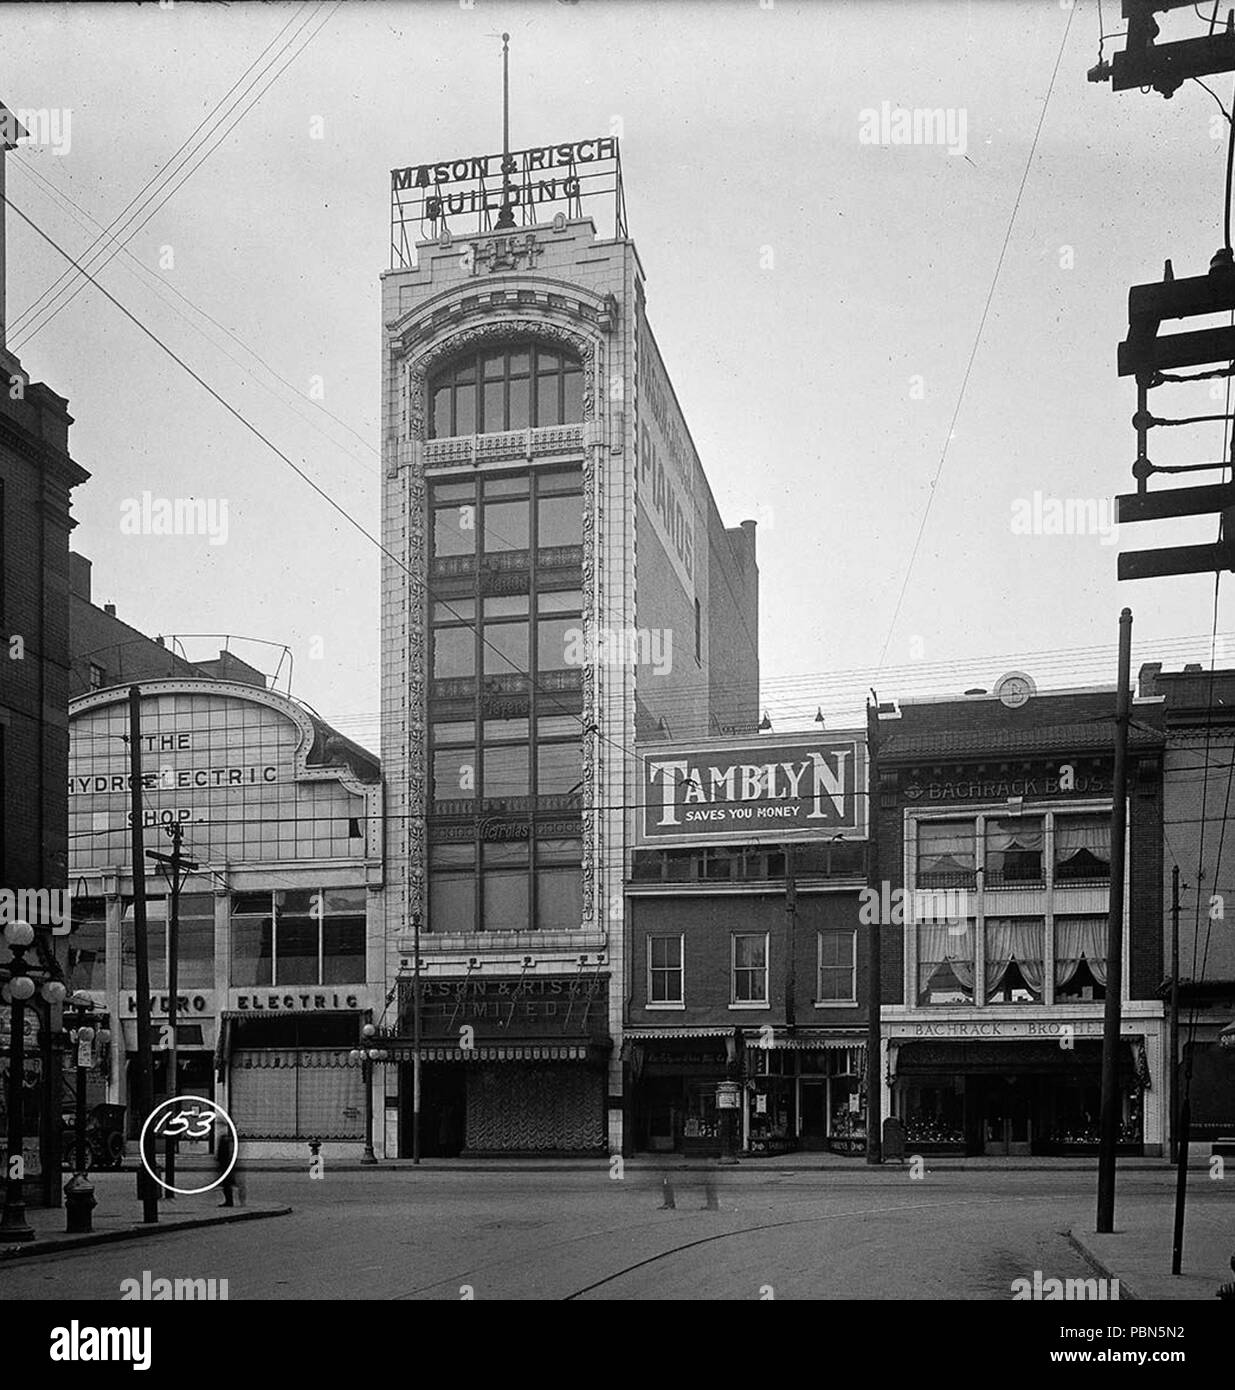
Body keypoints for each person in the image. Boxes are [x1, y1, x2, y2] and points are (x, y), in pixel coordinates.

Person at [216, 1125, 245, 1208]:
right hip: (228, 1166)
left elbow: (223, 1155)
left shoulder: (224, 1140)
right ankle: (232, 1200)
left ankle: (230, 1201)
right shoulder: (227, 1140)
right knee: (229, 1184)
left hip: (226, 1167)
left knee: (227, 1184)